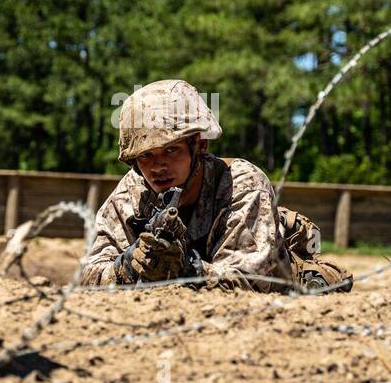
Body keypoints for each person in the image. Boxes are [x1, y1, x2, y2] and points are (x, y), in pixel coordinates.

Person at [79, 79, 351, 292]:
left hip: (278, 282)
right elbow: (88, 274)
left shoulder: (240, 183)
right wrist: (126, 267)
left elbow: (252, 280)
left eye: (171, 150)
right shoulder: (131, 194)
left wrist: (187, 269)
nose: (158, 167)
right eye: (146, 155)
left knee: (316, 288)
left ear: (199, 144)